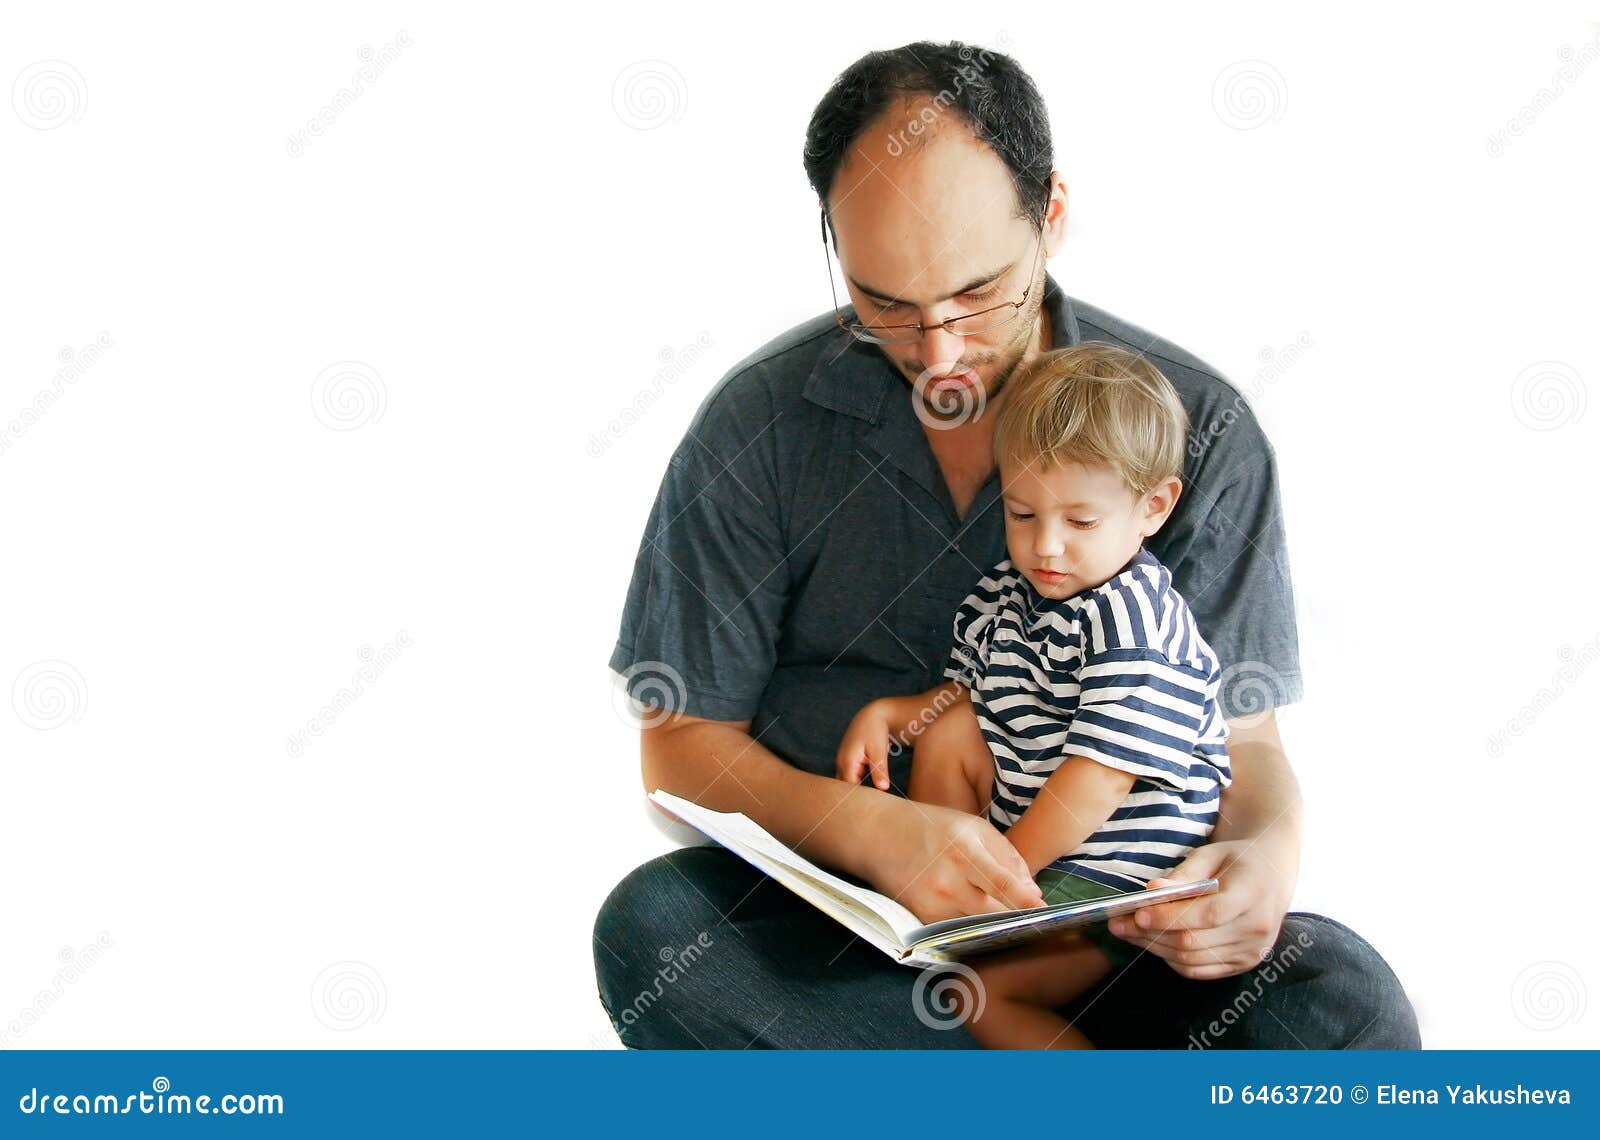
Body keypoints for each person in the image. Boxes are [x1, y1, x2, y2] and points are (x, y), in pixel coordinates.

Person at [595, 40, 1418, 1048]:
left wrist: (1265, 858)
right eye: (886, 304)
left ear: (1052, 216)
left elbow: (1244, 743)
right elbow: (678, 745)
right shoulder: (758, 424)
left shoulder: (1195, 426)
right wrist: (873, 832)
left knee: (1337, 996)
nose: (939, 352)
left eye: (979, 292)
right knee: (656, 928)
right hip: (852, 935)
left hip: (1113, 929)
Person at [836, 343, 1232, 1049]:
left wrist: (1001, 876)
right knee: (951, 728)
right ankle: (936, 895)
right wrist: (890, 714)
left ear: (1153, 507)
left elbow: (1101, 779)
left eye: (1080, 522)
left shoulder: (1136, 621)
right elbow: (963, 697)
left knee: (981, 996)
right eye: (1022, 514)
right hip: (1034, 858)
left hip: (1115, 883)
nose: (1045, 547)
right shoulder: (1006, 594)